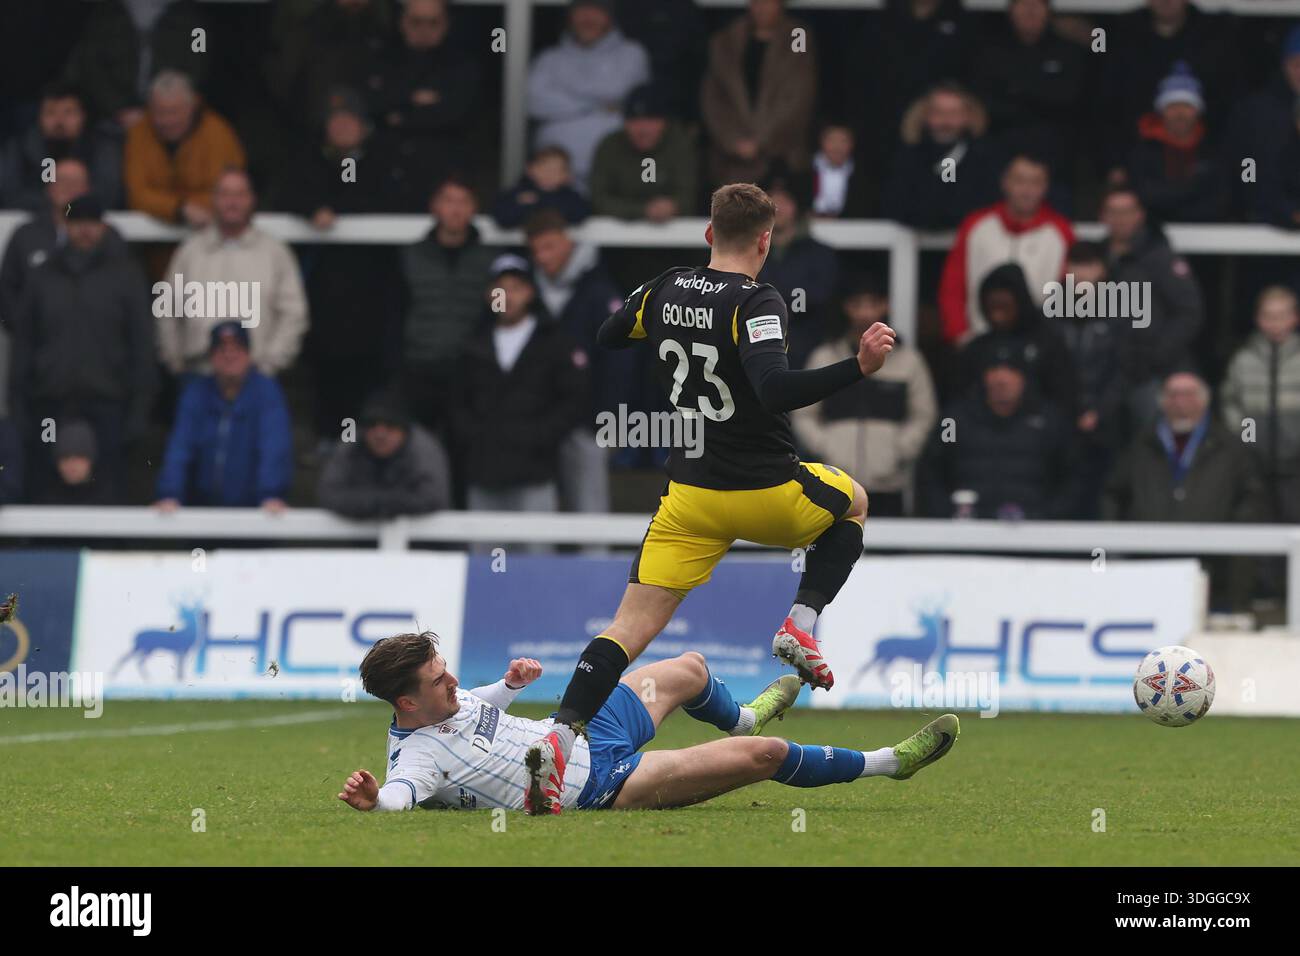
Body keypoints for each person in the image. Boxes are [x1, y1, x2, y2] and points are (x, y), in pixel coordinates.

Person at [522, 182, 896, 814]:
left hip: (690, 497)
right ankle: (801, 624)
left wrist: (658, 306)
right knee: (854, 501)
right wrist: (856, 368)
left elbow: (612, 332)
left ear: (707, 235)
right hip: (763, 489)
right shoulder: (759, 298)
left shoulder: (667, 286)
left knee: (628, 627)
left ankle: (559, 738)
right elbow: (774, 389)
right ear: (766, 240)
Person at [338, 632, 959, 813]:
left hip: (583, 733)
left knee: (687, 667)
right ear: (406, 705)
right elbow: (400, 795)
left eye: (447, 669)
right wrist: (373, 801)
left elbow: (478, 708)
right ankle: (889, 763)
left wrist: (507, 686)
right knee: (766, 757)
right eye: (438, 679)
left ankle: (740, 715)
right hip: (605, 783)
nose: (451, 680)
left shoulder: (447, 700)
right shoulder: (416, 759)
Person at [8, 194, 154, 503]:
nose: (85, 230)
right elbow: (23, 348)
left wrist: (139, 409)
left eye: (92, 223)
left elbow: (142, 346)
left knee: (109, 494)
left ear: (103, 227)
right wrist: (19, 408)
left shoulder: (126, 276)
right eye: (77, 222)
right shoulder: (41, 277)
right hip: (49, 404)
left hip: (109, 404)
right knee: (45, 492)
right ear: (64, 224)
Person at [446, 255, 588, 516]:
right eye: (500, 289)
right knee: (485, 554)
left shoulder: (554, 343)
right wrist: (477, 438)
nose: (508, 296)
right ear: (489, 295)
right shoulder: (471, 345)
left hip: (536, 473)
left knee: (536, 553)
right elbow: (457, 403)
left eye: (516, 288)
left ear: (530, 293)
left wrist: (539, 437)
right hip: (483, 474)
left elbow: (572, 400)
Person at [792, 274, 937, 517]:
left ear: (885, 305)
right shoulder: (824, 357)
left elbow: (924, 415)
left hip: (889, 486)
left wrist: (898, 451)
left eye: (872, 304)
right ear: (846, 308)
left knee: (889, 553)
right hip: (836, 484)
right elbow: (804, 412)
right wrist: (827, 447)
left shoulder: (909, 361)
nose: (865, 313)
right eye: (857, 304)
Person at [157, 168, 309, 377]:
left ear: (252, 200)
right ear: (213, 199)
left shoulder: (275, 252)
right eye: (225, 194)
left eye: (240, 194)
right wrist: (176, 361)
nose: (232, 202)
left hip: (257, 376)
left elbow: (294, 313)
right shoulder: (190, 252)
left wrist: (270, 364)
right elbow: (167, 311)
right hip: (198, 374)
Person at [918, 350, 1078, 519]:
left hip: (1035, 532)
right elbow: (932, 468)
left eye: (1011, 370)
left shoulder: (1049, 421)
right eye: (993, 370)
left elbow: (1072, 476)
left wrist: (1048, 516)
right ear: (983, 376)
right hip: (967, 532)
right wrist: (946, 513)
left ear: (1024, 378)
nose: (1001, 379)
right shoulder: (953, 421)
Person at [154, 322, 293, 510]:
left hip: (255, 512)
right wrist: (170, 494)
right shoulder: (196, 392)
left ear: (249, 355)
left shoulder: (267, 392)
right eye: (222, 349)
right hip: (202, 511)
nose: (229, 355)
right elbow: (180, 446)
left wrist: (271, 494)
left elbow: (274, 447)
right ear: (211, 357)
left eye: (237, 348)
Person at [938, 153, 1073, 345]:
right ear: (1005, 182)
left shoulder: (1061, 232)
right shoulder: (976, 225)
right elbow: (953, 286)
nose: (1027, 190)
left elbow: (1069, 296)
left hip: (1038, 348)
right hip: (978, 343)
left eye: (1035, 182)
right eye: (1020, 181)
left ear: (1046, 187)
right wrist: (960, 335)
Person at [1098, 184, 1204, 427]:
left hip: (1150, 375)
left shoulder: (1160, 256)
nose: (1120, 219)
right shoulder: (1096, 256)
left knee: (1154, 444)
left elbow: (1190, 312)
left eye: (1127, 211)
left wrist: (1156, 356)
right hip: (1106, 375)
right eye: (1113, 211)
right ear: (1102, 216)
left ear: (1140, 214)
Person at [399, 176, 498, 429]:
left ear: (474, 208)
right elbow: (393, 314)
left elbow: (499, 315)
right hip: (418, 368)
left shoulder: (493, 261)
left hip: (471, 372)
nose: (455, 209)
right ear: (434, 207)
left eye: (464, 201)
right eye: (448, 200)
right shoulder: (408, 256)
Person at [365, 0, 484, 210]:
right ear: (402, 22)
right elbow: (372, 105)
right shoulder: (381, 57)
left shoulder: (461, 64)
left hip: (440, 173)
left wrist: (399, 113)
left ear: (446, 24)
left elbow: (456, 114)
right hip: (384, 172)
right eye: (416, 22)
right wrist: (415, 100)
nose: (424, 30)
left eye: (433, 23)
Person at [1103, 370, 1265, 524]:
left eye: (1188, 395)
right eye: (1172, 395)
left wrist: (1232, 543)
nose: (1180, 403)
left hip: (1213, 550)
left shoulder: (1231, 449)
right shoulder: (1139, 446)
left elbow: (1251, 499)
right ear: (1161, 402)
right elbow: (1113, 496)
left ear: (1204, 401)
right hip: (1149, 549)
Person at [526, 0, 650, 189]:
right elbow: (535, 102)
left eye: (596, 11)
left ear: (610, 17)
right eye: (581, 11)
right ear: (570, 17)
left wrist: (564, 94)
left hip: (616, 168)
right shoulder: (550, 58)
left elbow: (618, 89)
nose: (588, 18)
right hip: (556, 173)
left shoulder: (631, 53)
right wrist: (596, 105)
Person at [700, 0, 817, 186]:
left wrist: (760, 140)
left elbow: (798, 97)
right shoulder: (725, 40)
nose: (762, 8)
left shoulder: (798, 36)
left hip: (782, 159)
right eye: (756, 2)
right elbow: (713, 99)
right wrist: (733, 140)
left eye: (769, 2)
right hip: (731, 162)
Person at [123, 70, 246, 227]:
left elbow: (226, 196)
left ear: (192, 106)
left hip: (210, 238)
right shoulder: (138, 133)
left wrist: (166, 203)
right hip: (149, 243)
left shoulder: (218, 134)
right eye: (160, 112)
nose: (167, 121)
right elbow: (137, 195)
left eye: (174, 112)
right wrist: (179, 208)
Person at [1220, 286, 1300, 523]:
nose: (1275, 323)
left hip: (1296, 463)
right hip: (1256, 463)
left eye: (1282, 316)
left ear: (1294, 318)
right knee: (1258, 522)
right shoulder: (1243, 360)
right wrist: (1249, 440)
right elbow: (1232, 404)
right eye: (1269, 317)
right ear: (1258, 320)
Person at [882, 82, 1002, 231]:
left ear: (968, 116)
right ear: (924, 115)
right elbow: (894, 204)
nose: (946, 121)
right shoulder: (907, 157)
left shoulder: (984, 157)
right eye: (938, 113)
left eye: (954, 113)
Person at [317, 391, 451, 520]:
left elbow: (432, 497)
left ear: (404, 430)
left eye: (390, 425)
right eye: (372, 425)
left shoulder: (423, 448)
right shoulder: (350, 444)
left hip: (425, 538)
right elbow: (329, 494)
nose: (380, 434)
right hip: (364, 537)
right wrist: (376, 504)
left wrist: (382, 504)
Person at [756, 168, 839, 369]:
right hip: (758, 346)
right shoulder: (749, 251)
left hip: (807, 347)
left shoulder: (820, 253)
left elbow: (818, 297)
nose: (778, 208)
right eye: (771, 201)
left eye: (785, 201)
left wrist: (776, 300)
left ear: (797, 206)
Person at [1124, 62, 1226, 223]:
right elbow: (1144, 195)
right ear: (1161, 111)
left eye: (1187, 105)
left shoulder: (1213, 151)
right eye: (1172, 106)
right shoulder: (1144, 150)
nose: (1180, 113)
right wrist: (1193, 188)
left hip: (1206, 233)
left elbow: (1220, 200)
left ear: (1197, 111)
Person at [0, 82, 123, 212]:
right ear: (39, 118)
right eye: (50, 113)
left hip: (87, 221)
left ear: (83, 117)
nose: (59, 121)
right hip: (33, 222)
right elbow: (10, 194)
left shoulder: (101, 147)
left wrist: (69, 208)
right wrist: (55, 206)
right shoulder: (21, 146)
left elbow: (109, 194)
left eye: (68, 112)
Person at [589, 84, 698, 222]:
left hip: (674, 234)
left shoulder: (680, 145)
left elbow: (689, 196)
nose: (643, 129)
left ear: (664, 122)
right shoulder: (610, 146)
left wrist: (673, 206)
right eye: (635, 121)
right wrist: (642, 210)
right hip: (617, 235)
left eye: (650, 121)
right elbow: (599, 199)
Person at [490, 146, 590, 229]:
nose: (549, 174)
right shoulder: (516, 194)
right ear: (529, 169)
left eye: (556, 170)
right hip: (520, 251)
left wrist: (539, 201)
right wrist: (520, 205)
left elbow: (579, 215)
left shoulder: (572, 197)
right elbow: (502, 218)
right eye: (544, 168)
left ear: (566, 175)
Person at [37, 419, 114, 506]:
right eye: (65, 457)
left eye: (79, 456)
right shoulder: (44, 504)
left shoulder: (109, 503)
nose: (71, 464)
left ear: (90, 460)